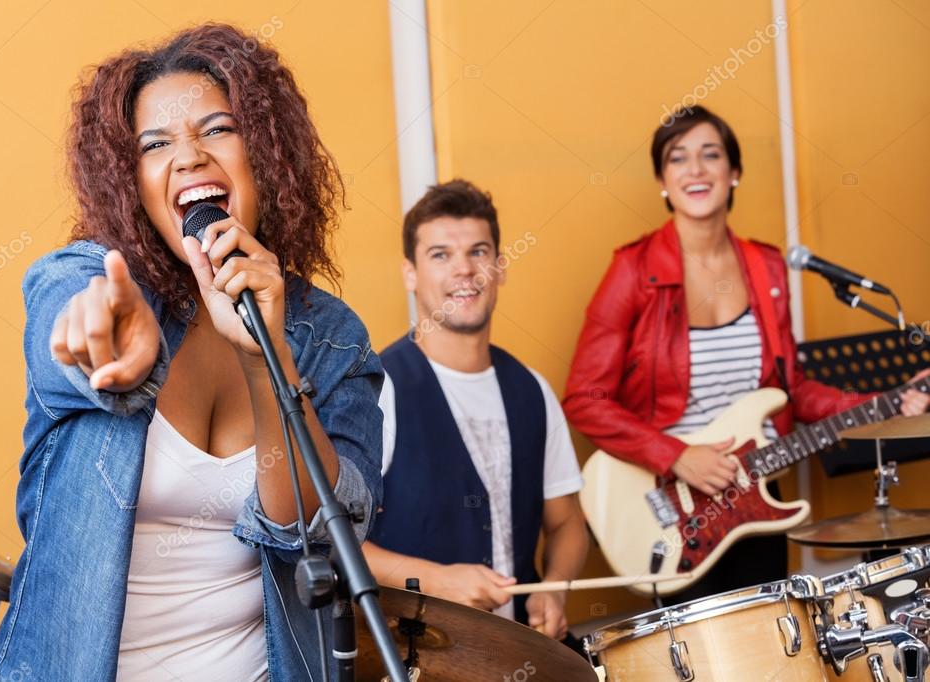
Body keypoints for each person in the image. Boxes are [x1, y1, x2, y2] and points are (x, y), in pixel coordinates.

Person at [0, 24, 383, 682]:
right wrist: (114, 341)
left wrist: (266, 359)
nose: (189, 156)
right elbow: (62, 318)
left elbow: (321, 532)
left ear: (265, 154)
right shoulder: (92, 279)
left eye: (217, 129)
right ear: (131, 181)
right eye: (155, 144)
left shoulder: (330, 335)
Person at [562, 105, 930, 603]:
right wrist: (677, 457)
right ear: (662, 181)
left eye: (710, 155)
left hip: (758, 498)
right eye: (678, 158)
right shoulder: (633, 270)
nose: (695, 169)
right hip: (674, 514)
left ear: (733, 173)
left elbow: (792, 391)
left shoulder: (767, 268)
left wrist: (889, 401)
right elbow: (586, 398)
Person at [361, 180, 589, 643]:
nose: (464, 270)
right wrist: (434, 580)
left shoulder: (532, 389)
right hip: (416, 657)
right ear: (410, 273)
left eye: (479, 252)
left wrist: (555, 587)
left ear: (499, 268)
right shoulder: (377, 390)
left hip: (524, 654)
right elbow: (333, 543)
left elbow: (566, 522)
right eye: (440, 255)